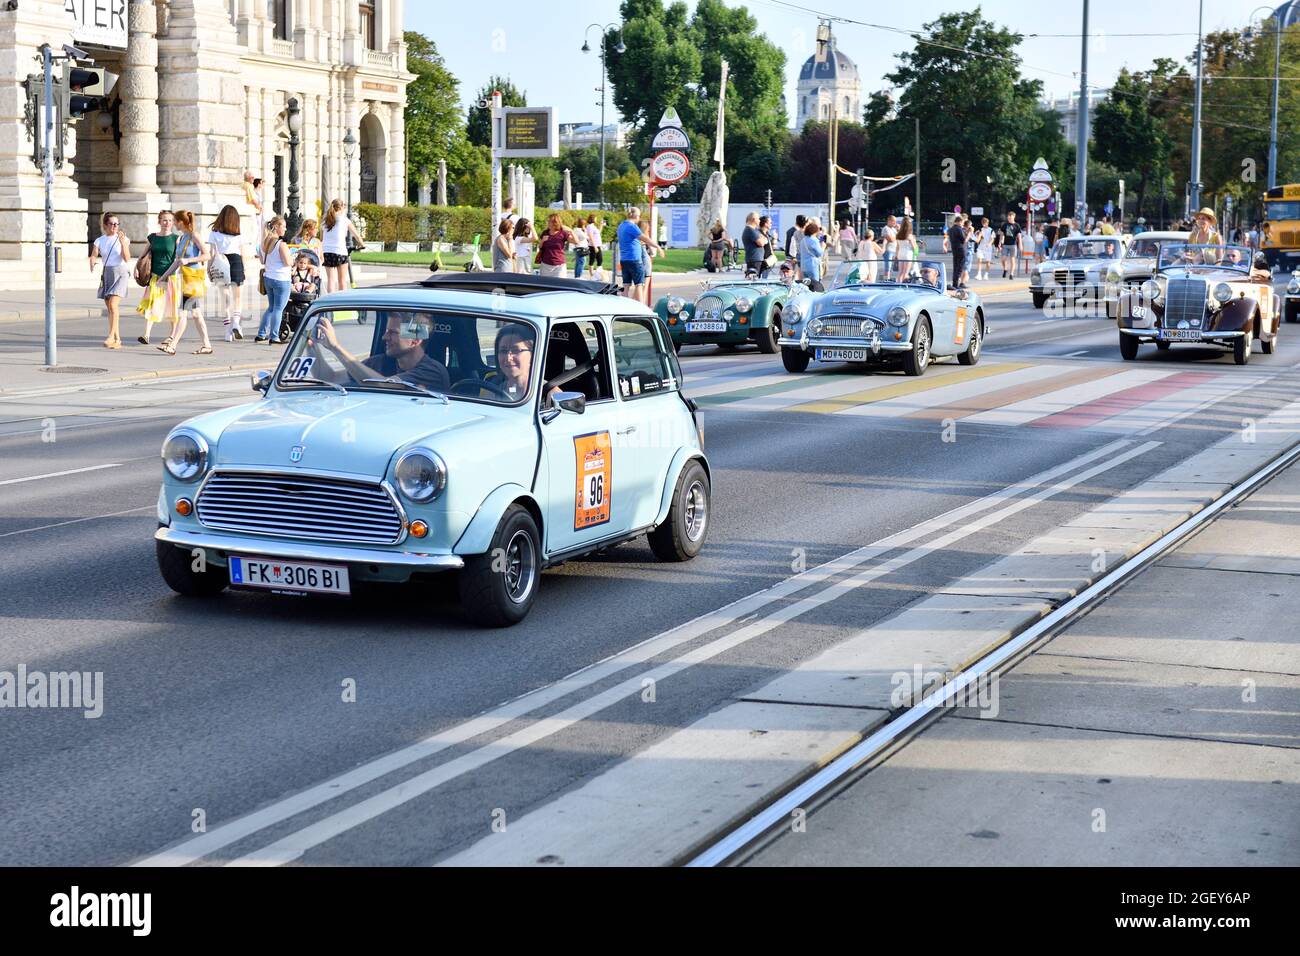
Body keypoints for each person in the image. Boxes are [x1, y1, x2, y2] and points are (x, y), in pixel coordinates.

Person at [317, 311, 450, 392]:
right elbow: (330, 378)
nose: (384, 337)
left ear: (415, 340)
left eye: (393, 333)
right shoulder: (378, 362)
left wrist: (335, 346)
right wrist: (312, 345)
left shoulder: (432, 371)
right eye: (387, 331)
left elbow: (383, 385)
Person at [159, 209, 213, 355]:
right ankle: (207, 345)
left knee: (182, 312)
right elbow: (177, 262)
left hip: (193, 280)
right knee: (196, 314)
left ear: (181, 222)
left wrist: (189, 260)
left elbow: (207, 255)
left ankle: (172, 345)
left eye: (175, 221)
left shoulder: (194, 235)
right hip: (185, 279)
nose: (173, 224)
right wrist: (163, 277)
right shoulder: (182, 238)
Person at [136, 209, 180, 346]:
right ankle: (146, 335)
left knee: (171, 307)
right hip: (155, 276)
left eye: (170, 220)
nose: (167, 223)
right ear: (159, 221)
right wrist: (136, 267)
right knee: (151, 305)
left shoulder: (176, 238)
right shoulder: (153, 237)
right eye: (164, 220)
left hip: (170, 278)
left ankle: (172, 335)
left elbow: (178, 259)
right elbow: (143, 254)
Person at [90, 211, 131, 349]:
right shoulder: (100, 240)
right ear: (105, 225)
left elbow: (126, 258)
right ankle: (117, 339)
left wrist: (122, 243)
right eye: (111, 224)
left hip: (121, 272)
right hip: (107, 273)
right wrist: (92, 261)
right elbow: (94, 254)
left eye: (116, 224)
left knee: (113, 305)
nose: (114, 227)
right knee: (110, 308)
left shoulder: (123, 239)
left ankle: (110, 336)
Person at [207, 204, 245, 342]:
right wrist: (243, 269)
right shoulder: (238, 235)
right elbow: (242, 254)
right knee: (237, 298)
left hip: (220, 262)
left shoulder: (214, 233)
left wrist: (209, 269)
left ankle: (228, 331)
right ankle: (236, 321)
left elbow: (212, 253)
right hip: (236, 262)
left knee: (225, 299)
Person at [257, 216, 294, 344]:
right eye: (283, 226)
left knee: (271, 307)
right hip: (281, 279)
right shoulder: (281, 244)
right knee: (278, 308)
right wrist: (293, 258)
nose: (285, 228)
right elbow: (288, 262)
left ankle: (261, 334)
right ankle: (274, 336)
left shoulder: (264, 242)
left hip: (268, 278)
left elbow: (262, 260)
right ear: (277, 227)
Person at [322, 199, 364, 293]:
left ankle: (330, 301)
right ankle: (341, 301)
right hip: (340, 251)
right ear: (342, 207)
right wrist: (362, 244)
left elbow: (322, 238)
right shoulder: (344, 220)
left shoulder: (326, 220)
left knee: (330, 280)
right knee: (342, 280)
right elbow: (356, 235)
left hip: (327, 251)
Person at [617, 206, 659, 300]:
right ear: (636, 216)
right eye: (639, 216)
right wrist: (658, 247)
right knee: (639, 286)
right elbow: (645, 239)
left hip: (624, 260)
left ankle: (623, 309)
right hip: (634, 260)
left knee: (626, 287)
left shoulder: (621, 225)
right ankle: (641, 311)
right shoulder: (632, 226)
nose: (639, 218)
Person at [798, 218, 826, 290]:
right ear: (814, 231)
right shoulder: (814, 240)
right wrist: (823, 247)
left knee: (806, 285)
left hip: (804, 266)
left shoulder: (803, 240)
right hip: (812, 266)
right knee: (815, 284)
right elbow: (820, 253)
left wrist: (822, 237)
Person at [944, 215, 968, 289]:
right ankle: (956, 284)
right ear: (960, 221)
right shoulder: (959, 229)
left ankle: (954, 283)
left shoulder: (950, 229)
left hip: (954, 249)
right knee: (960, 267)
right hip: (961, 249)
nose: (963, 224)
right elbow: (964, 240)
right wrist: (969, 234)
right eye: (963, 222)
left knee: (955, 267)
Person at [998, 211, 1022, 278]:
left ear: (1014, 217)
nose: (1009, 219)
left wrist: (1020, 245)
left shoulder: (1017, 225)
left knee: (1012, 259)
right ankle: (1005, 269)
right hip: (1005, 244)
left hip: (1013, 244)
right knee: (1003, 259)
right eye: (1008, 218)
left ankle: (1011, 274)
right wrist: (1000, 243)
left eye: (1010, 218)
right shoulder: (1005, 225)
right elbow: (1002, 235)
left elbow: (1019, 236)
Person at [584, 216, 604, 281]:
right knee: (592, 260)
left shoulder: (593, 226)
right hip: (593, 246)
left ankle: (598, 275)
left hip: (597, 245)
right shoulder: (589, 226)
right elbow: (591, 236)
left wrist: (601, 225)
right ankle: (592, 276)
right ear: (592, 219)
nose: (596, 219)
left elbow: (599, 233)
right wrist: (595, 247)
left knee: (600, 260)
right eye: (595, 218)